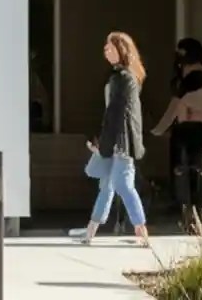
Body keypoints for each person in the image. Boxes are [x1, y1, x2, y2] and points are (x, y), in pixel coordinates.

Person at [76, 31, 150, 247]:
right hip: (117, 140)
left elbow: (117, 114)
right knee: (107, 185)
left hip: (120, 142)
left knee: (122, 184)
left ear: (121, 50)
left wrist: (105, 144)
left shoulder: (123, 78)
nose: (105, 50)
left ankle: (142, 231)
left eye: (110, 47)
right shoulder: (124, 76)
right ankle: (90, 232)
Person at [151, 37, 202, 233]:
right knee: (192, 171)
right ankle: (192, 215)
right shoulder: (198, 75)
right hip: (197, 129)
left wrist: (158, 129)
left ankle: (189, 213)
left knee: (186, 171)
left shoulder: (194, 77)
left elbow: (175, 106)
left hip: (189, 129)